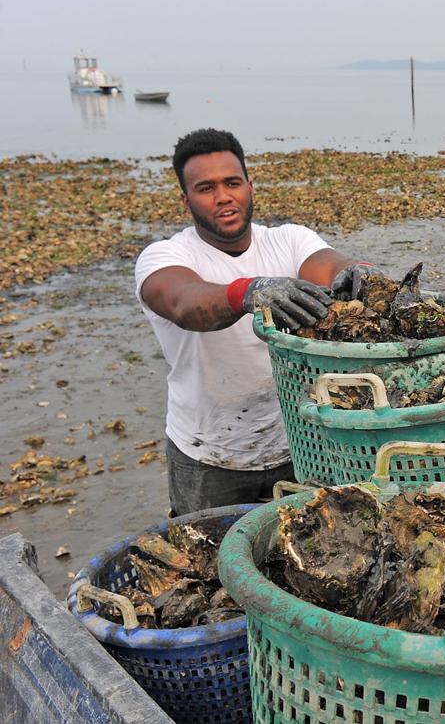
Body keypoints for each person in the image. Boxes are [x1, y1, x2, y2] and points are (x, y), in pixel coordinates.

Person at [135, 128, 381, 514]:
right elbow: (184, 302)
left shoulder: (288, 240)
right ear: (186, 200)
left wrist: (359, 272)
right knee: (206, 566)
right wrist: (246, 292)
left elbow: (329, 265)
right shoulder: (164, 256)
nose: (223, 197)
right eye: (206, 188)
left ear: (250, 186)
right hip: (210, 455)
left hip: (302, 446)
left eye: (232, 183)